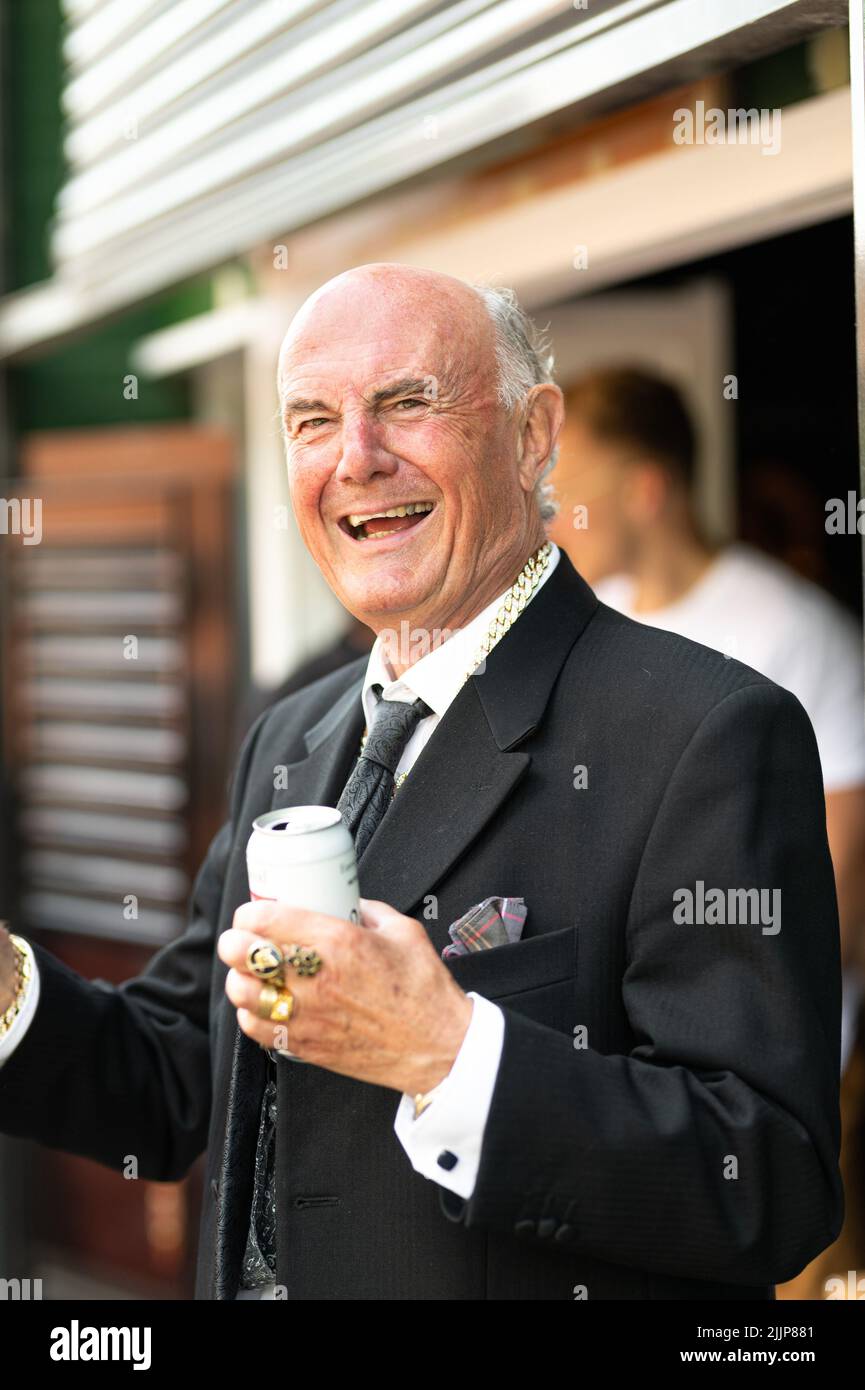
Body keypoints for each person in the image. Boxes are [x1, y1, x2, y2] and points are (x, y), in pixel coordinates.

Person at [0, 267, 843, 1301]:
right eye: (313, 419)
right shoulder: (291, 735)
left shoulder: (705, 732)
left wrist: (451, 1055)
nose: (356, 456)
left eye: (407, 402)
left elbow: (768, 1182)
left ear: (534, 435)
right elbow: (181, 1076)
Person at [548, 363, 865, 1297]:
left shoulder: (792, 634)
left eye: (573, 500)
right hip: (621, 1085)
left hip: (777, 1081)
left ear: (647, 491)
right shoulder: (590, 630)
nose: (554, 523)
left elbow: (840, 899)